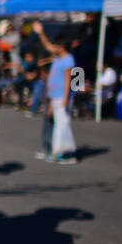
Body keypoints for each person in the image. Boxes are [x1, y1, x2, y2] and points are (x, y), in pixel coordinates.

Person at [34, 23, 77, 164]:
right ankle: (61, 151)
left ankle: (59, 152)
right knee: (60, 124)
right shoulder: (58, 58)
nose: (54, 47)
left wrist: (65, 99)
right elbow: (48, 46)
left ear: (62, 46)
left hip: (61, 97)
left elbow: (67, 81)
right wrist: (41, 32)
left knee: (61, 125)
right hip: (55, 97)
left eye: (57, 45)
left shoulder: (68, 60)